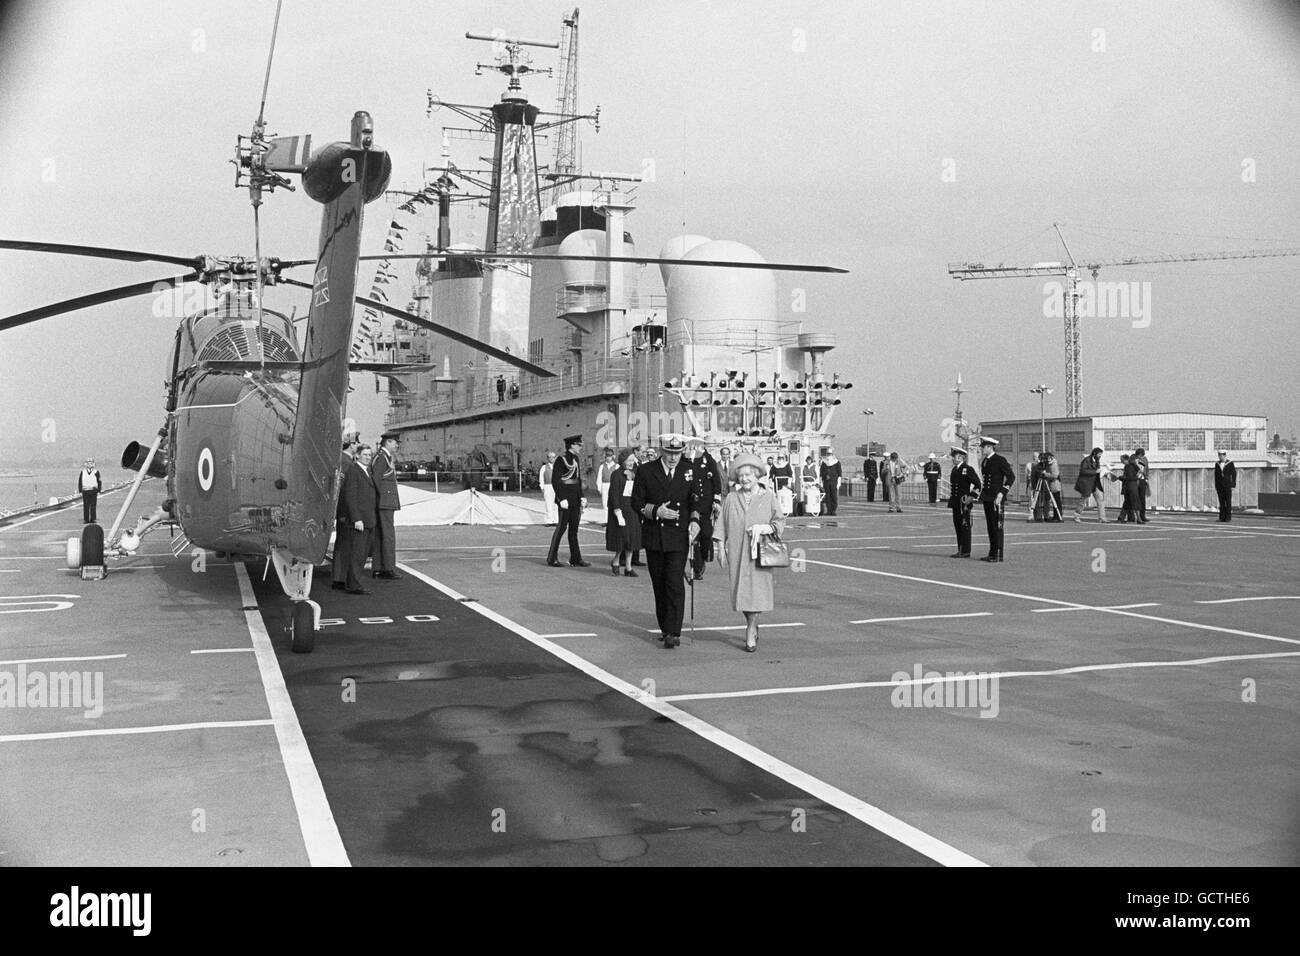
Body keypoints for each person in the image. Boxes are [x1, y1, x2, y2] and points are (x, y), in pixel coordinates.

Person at [632, 433, 703, 649]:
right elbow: (636, 502)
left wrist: (694, 520)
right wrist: (656, 511)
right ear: (662, 451)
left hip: (678, 536)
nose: (673, 458)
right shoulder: (646, 470)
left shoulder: (688, 471)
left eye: (678, 453)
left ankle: (674, 631)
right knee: (659, 583)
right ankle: (665, 627)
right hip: (655, 534)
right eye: (670, 453)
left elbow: (695, 500)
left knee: (674, 582)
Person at [713, 453, 786, 653]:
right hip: (737, 551)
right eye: (742, 476)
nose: (745, 479)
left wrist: (766, 528)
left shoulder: (769, 497)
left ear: (757, 476)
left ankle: (751, 628)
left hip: (760, 552)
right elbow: (721, 525)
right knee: (741, 592)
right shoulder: (731, 499)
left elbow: (780, 521)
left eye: (749, 475)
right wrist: (720, 548)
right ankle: (751, 621)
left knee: (757, 592)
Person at [336, 444, 377, 594]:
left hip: (368, 519)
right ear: (358, 455)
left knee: (362, 554)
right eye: (365, 455)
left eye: (369, 455)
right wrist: (356, 519)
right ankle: (354, 585)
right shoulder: (354, 471)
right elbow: (350, 497)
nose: (368, 457)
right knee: (357, 555)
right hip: (360, 521)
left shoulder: (367, 471)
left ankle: (353, 582)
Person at [547, 435, 590, 567]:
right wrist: (561, 498)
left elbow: (577, 480)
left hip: (575, 499)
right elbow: (556, 480)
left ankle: (575, 558)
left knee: (574, 530)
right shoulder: (561, 459)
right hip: (565, 499)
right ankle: (551, 558)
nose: (580, 447)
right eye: (579, 445)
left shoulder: (576, 459)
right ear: (572, 445)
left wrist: (582, 496)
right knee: (561, 528)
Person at [685, 437, 723, 580]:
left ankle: (704, 555)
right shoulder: (686, 459)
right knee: (693, 536)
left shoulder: (708, 459)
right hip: (691, 503)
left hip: (706, 503)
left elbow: (716, 481)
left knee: (706, 534)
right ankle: (697, 566)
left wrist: (716, 500)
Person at [369, 433, 402, 579]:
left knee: (381, 535)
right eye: (395, 442)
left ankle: (379, 567)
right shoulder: (382, 458)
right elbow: (376, 480)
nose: (397, 445)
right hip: (384, 502)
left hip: (384, 502)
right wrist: (377, 501)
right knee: (387, 535)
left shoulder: (384, 457)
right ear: (388, 442)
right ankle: (387, 568)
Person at [605, 448, 642, 576]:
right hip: (621, 509)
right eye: (629, 460)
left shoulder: (635, 474)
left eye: (633, 460)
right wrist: (617, 510)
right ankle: (616, 561)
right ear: (623, 461)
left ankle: (628, 567)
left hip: (632, 509)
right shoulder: (616, 474)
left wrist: (631, 478)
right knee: (622, 540)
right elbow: (614, 494)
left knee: (631, 540)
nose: (631, 463)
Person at [978, 437, 1015, 562]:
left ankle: (998, 553)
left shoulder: (1000, 460)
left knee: (997, 527)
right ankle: (992, 552)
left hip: (996, 497)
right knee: (990, 526)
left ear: (990, 447)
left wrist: (1002, 493)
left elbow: (1011, 477)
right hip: (987, 496)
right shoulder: (985, 461)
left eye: (983, 447)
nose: (982, 449)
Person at [947, 446, 981, 557]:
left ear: (961, 457)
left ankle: (965, 550)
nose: (953, 458)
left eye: (955, 456)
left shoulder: (967, 469)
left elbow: (978, 484)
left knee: (964, 526)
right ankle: (960, 548)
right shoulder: (955, 469)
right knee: (957, 525)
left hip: (964, 502)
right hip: (956, 501)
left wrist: (971, 497)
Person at [331, 440, 356, 588]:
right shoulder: (346, 462)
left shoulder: (344, 459)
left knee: (343, 543)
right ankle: (339, 578)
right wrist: (342, 512)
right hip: (345, 510)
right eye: (354, 443)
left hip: (344, 509)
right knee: (344, 544)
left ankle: (340, 576)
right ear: (350, 445)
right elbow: (342, 490)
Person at [1073, 447, 1108, 522]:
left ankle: (1102, 517)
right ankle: (1077, 515)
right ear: (1094, 453)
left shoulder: (1097, 460)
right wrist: (1095, 471)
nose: (1100, 456)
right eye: (1099, 454)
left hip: (1095, 483)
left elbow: (1097, 471)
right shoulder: (1086, 460)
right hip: (1087, 483)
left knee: (1100, 500)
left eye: (1100, 455)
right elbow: (1083, 471)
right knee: (1083, 500)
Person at [1214, 449, 1237, 521]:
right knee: (1221, 502)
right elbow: (1216, 475)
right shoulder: (1217, 464)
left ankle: (1228, 517)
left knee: (1228, 501)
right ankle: (1222, 517)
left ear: (1225, 455)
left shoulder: (1230, 463)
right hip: (1220, 486)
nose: (1220, 457)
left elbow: (1234, 474)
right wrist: (1216, 485)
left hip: (1227, 485)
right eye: (1219, 456)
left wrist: (1233, 485)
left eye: (1222, 456)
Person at [77, 457, 102, 524]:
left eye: (91, 463)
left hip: (93, 491)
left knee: (93, 505)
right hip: (85, 491)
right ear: (86, 464)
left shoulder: (96, 472)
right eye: (88, 463)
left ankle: (93, 519)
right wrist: (80, 490)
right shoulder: (83, 472)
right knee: (86, 506)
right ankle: (86, 519)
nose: (89, 464)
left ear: (93, 464)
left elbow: (99, 481)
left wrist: (99, 490)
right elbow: (80, 481)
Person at [596, 447, 618, 523]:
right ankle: (606, 520)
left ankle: (614, 520)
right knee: (605, 503)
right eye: (607, 456)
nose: (608, 458)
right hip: (604, 485)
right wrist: (599, 488)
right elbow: (599, 478)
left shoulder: (617, 466)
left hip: (613, 485)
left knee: (614, 503)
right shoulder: (602, 466)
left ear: (612, 456)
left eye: (610, 456)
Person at [819, 447, 843, 516]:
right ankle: (829, 510)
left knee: (834, 496)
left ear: (832, 454)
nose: (828, 455)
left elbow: (839, 473)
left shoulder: (836, 462)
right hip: (826, 481)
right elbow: (821, 472)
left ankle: (833, 510)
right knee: (827, 497)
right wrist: (822, 480)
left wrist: (839, 483)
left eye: (830, 454)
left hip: (833, 481)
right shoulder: (824, 462)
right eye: (827, 454)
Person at [1117, 454, 1140, 523]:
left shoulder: (1128, 466)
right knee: (1128, 503)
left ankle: (1132, 518)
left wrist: (1121, 477)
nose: (1121, 462)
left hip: (1129, 487)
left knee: (1130, 503)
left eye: (1122, 460)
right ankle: (1128, 518)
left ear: (1126, 459)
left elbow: (1129, 477)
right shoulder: (1132, 466)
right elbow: (1133, 476)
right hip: (1132, 486)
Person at [1043, 452, 1063, 521]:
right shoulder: (1050, 463)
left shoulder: (1053, 463)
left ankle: (1058, 516)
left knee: (1056, 501)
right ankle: (1056, 516)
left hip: (1054, 484)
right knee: (1054, 501)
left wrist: (1045, 474)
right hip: (1051, 484)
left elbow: (1055, 475)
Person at [539, 451, 558, 525]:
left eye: (553, 457)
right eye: (549, 457)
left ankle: (556, 520)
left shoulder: (558, 467)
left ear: (555, 458)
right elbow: (541, 478)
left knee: (556, 504)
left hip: (556, 487)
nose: (551, 459)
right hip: (547, 486)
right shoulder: (544, 467)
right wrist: (542, 487)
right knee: (548, 503)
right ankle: (549, 520)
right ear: (547, 458)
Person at [1133, 447, 1151, 522]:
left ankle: (1142, 515)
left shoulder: (1145, 459)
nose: (1141, 457)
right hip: (1135, 480)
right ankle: (1134, 516)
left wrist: (1146, 477)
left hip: (1143, 479)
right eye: (1139, 455)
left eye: (1142, 455)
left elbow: (1147, 468)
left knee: (1142, 498)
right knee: (1136, 498)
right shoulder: (1133, 459)